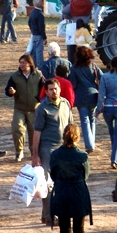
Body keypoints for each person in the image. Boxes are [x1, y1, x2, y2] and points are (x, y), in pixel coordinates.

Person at [49, 124, 92, 233]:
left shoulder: (55, 154)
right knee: (79, 229)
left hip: (62, 193)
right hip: (78, 192)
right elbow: (86, 175)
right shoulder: (82, 156)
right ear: (77, 137)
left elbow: (53, 174)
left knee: (65, 230)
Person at [32, 78, 73, 224]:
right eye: (51, 89)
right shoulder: (42, 108)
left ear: (60, 89)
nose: (54, 91)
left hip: (64, 148)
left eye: (56, 89)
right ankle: (49, 216)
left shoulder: (65, 104)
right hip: (47, 149)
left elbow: (71, 127)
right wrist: (35, 155)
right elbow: (37, 132)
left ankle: (46, 215)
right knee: (47, 183)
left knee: (61, 182)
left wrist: (72, 146)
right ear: (46, 92)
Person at [5, 54, 43, 162]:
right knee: (17, 128)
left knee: (33, 132)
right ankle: (19, 151)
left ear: (29, 63)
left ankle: (33, 152)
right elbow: (8, 89)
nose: (22, 65)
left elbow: (43, 89)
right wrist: (11, 91)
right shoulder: (15, 76)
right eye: (20, 62)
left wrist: (38, 99)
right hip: (19, 108)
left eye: (24, 62)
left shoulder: (38, 75)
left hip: (34, 108)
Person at [70, 46, 102, 154]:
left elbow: (73, 84)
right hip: (93, 95)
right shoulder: (93, 66)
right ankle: (91, 142)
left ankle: (89, 145)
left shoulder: (74, 68)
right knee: (92, 118)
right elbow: (102, 77)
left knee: (84, 120)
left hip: (81, 96)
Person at [28, 0, 47, 68]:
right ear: (38, 4)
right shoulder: (40, 14)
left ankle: (34, 65)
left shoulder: (32, 12)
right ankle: (40, 66)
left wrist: (32, 30)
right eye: (41, 2)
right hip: (39, 35)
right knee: (39, 51)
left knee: (34, 51)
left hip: (34, 34)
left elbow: (29, 22)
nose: (42, 4)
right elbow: (41, 27)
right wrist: (44, 37)